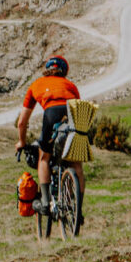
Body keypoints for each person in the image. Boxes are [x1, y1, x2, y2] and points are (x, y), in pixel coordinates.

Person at [15, 55, 85, 224]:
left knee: (44, 158)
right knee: (76, 164)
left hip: (52, 112)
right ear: (64, 71)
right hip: (76, 115)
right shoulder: (71, 86)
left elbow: (22, 122)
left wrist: (22, 142)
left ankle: (46, 202)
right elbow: (78, 105)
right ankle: (78, 211)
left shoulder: (36, 85)